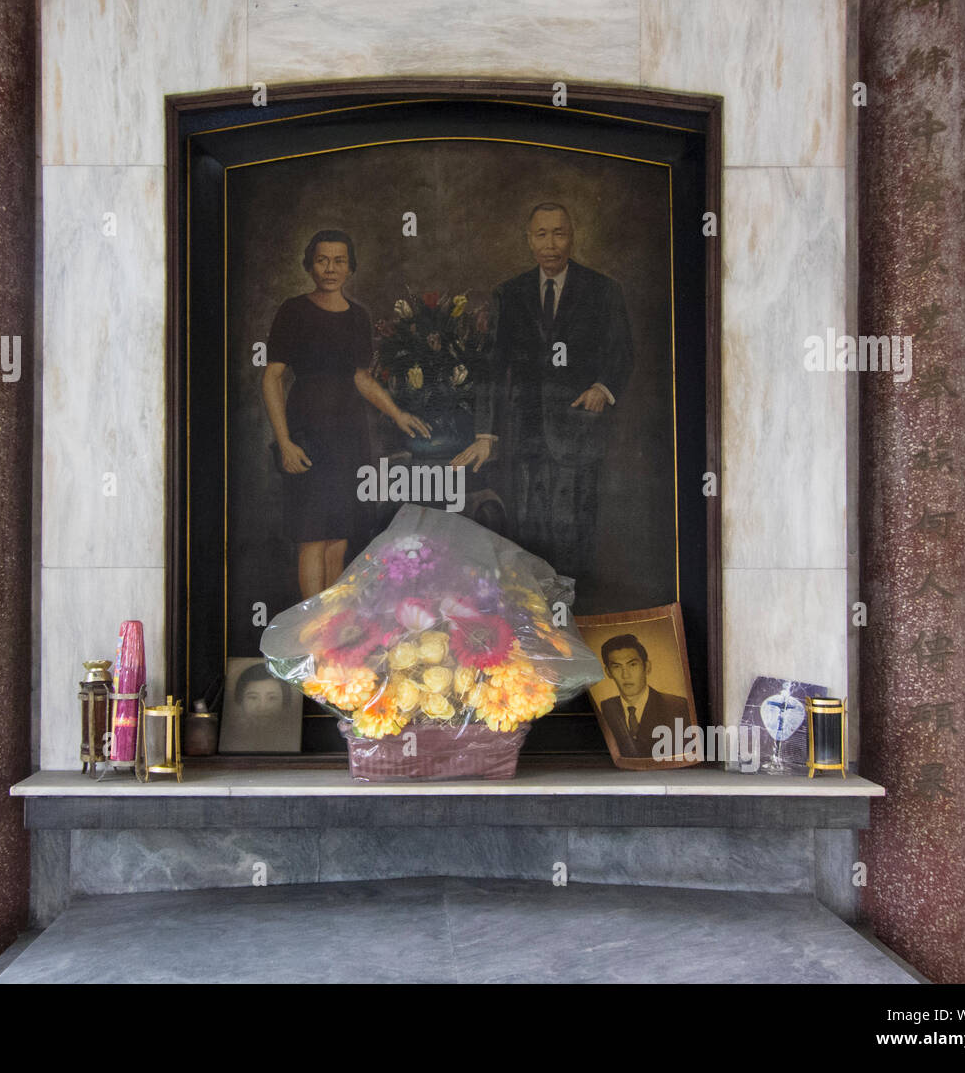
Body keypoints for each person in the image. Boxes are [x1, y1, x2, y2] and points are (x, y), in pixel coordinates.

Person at [451, 202, 632, 582]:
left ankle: (574, 618)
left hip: (580, 429)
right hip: (527, 432)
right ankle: (536, 623)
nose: (551, 244)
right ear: (529, 240)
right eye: (542, 234)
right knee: (530, 534)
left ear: (572, 236)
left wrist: (603, 386)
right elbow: (492, 367)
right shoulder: (510, 294)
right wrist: (485, 433)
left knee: (573, 534)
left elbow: (622, 352)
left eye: (559, 233)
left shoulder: (602, 290)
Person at [262, 230, 430, 599]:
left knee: (338, 535)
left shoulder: (358, 316)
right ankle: (310, 636)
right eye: (322, 260)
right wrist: (285, 441)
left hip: (348, 436)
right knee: (312, 536)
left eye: (339, 260)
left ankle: (332, 632)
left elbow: (361, 378)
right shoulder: (293, 311)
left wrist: (397, 414)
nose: (330, 268)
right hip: (307, 431)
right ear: (310, 265)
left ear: (350, 267)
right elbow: (272, 377)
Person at [597, 633, 691, 759]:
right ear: (608, 672)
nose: (626, 675)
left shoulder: (676, 707)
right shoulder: (606, 707)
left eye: (632, 665)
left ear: (647, 667)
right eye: (617, 667)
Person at [219, 663, 299, 752]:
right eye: (253, 697)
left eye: (272, 698)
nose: (262, 707)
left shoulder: (291, 738)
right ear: (240, 700)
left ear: (284, 701)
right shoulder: (232, 740)